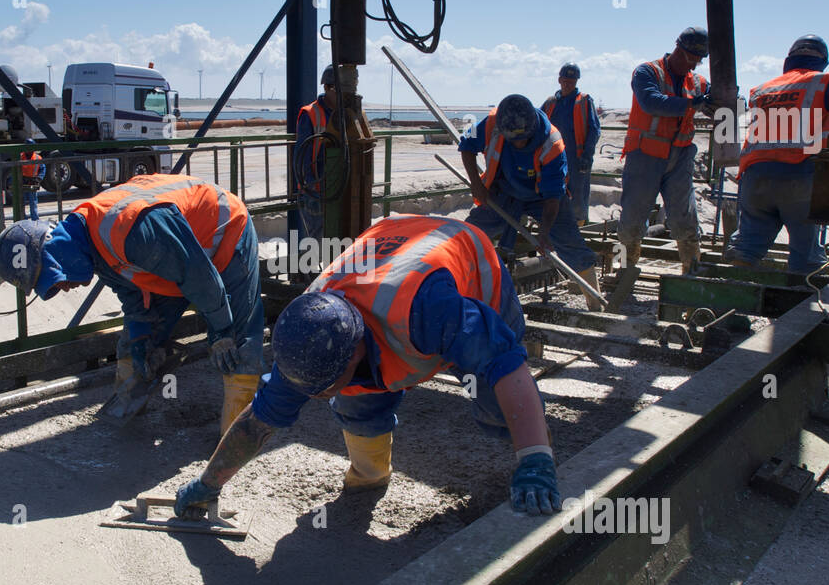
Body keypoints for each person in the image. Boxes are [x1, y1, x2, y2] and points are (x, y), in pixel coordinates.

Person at [172, 214, 562, 518]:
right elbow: (259, 423)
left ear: (357, 350)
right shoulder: (310, 337)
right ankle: (370, 475)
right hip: (391, 239)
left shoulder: (429, 311)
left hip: (467, 259)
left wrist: (534, 460)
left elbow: (506, 367)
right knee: (356, 400)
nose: (319, 394)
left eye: (326, 384)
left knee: (496, 397)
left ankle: (534, 457)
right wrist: (208, 482)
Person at [0, 173, 264, 432]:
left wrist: (220, 333)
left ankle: (237, 443)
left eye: (54, 279)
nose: (63, 288)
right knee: (141, 341)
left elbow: (200, 279)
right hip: (179, 258)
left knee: (237, 346)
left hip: (225, 232)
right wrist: (140, 339)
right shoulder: (89, 241)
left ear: (55, 254)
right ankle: (126, 413)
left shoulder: (130, 229)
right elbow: (133, 296)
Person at [726, 35, 829, 274]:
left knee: (746, 246)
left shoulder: (763, 89)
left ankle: (731, 292)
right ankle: (799, 302)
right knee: (806, 252)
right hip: (801, 177)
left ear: (788, 60)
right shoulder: (828, 82)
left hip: (755, 177)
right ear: (823, 61)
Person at [458, 93, 602, 310]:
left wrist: (544, 232)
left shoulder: (552, 143)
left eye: (522, 139)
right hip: (505, 190)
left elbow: (553, 198)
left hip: (543, 198)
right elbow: (466, 145)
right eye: (513, 140)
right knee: (470, 234)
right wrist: (476, 184)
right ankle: (455, 286)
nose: (518, 144)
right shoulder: (492, 121)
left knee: (569, 242)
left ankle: (595, 301)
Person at [619, 27, 713, 274]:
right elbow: (651, 102)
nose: (693, 65)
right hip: (645, 155)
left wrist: (726, 100)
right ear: (678, 49)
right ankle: (625, 268)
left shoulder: (699, 82)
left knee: (686, 217)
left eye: (698, 60)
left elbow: (716, 103)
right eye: (690, 58)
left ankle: (691, 269)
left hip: (680, 157)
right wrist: (695, 104)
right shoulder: (647, 72)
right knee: (631, 218)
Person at [295, 65, 354, 257]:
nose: (344, 97)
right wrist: (312, 188)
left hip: (337, 187)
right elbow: (302, 157)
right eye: (340, 92)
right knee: (315, 241)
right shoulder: (311, 113)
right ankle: (305, 278)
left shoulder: (344, 114)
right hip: (316, 191)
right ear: (328, 88)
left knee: (336, 240)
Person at [541, 63, 601, 224]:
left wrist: (587, 155)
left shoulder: (584, 101)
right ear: (559, 80)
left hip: (577, 157)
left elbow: (594, 129)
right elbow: (539, 126)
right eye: (565, 80)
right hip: (554, 157)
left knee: (578, 195)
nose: (568, 84)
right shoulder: (550, 103)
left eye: (572, 81)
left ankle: (578, 228)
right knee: (552, 191)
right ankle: (555, 225)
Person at [18, 149, 44, 221]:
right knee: (21, 202)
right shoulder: (20, 157)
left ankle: (35, 220)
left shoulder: (37, 158)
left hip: (32, 181)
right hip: (23, 182)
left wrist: (38, 178)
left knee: (33, 203)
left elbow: (42, 169)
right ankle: (23, 219)